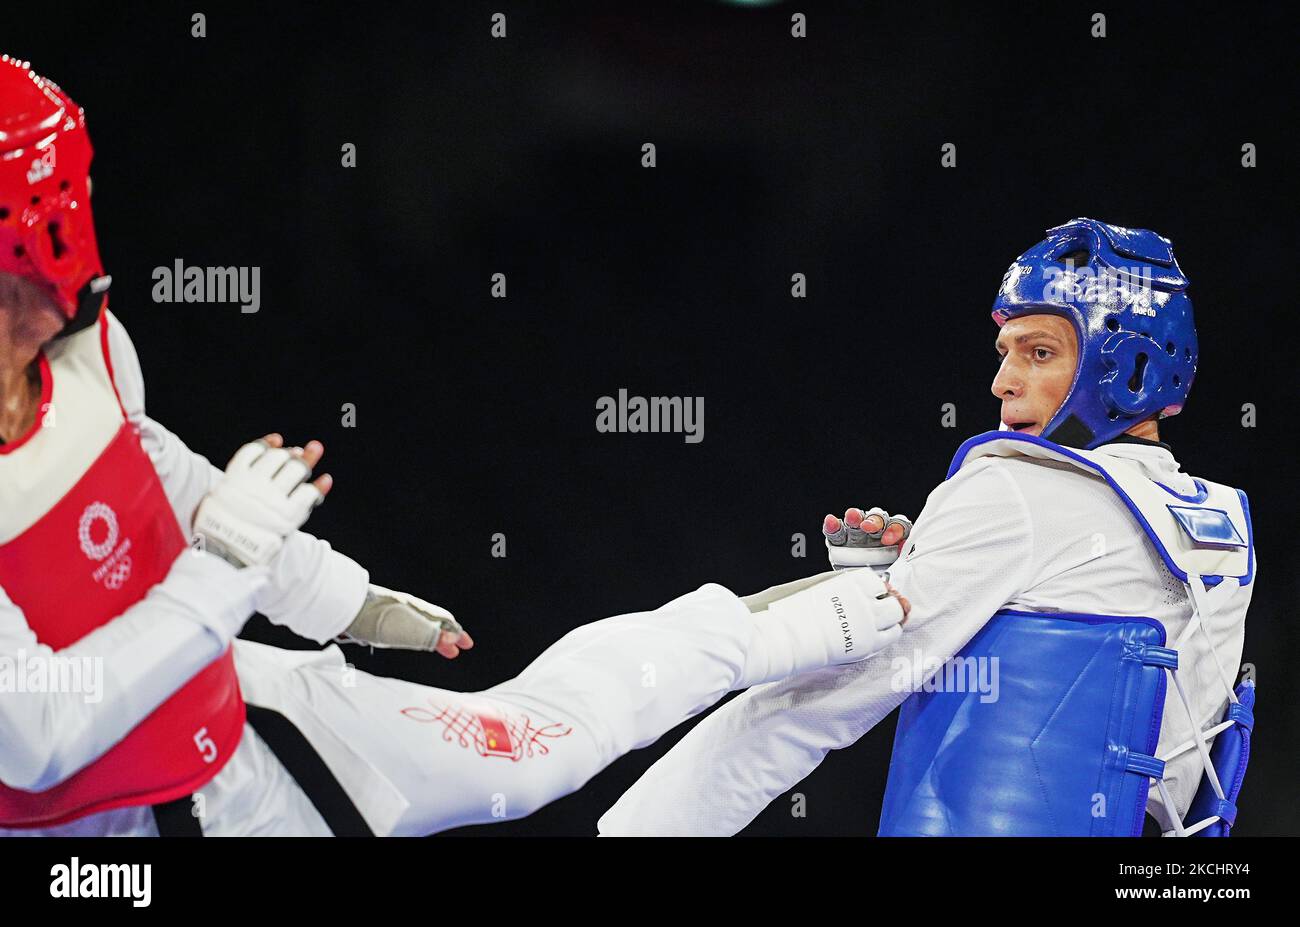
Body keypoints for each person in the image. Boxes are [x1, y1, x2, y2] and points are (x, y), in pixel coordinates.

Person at [0, 56, 912, 836]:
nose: (61, 288)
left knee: (535, 745)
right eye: (24, 269)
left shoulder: (86, 344)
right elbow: (39, 737)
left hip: (243, 734)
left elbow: (146, 467)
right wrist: (225, 563)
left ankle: (826, 609)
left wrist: (338, 598)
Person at [599, 217, 1256, 837]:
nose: (1003, 381)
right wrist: (904, 578)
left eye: (1040, 352)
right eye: (1005, 352)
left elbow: (809, 705)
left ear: (1130, 366)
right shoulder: (1224, 523)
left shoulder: (1013, 486)